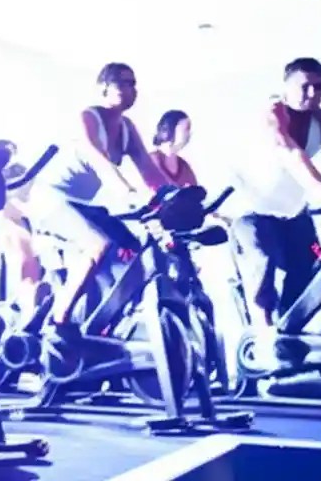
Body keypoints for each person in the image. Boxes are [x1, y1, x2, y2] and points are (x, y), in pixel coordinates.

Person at [228, 57, 321, 368]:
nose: (312, 93)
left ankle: (288, 341)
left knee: (308, 270)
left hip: (293, 212)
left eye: (318, 87)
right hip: (252, 209)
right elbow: (288, 150)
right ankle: (264, 343)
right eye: (304, 86)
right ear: (285, 87)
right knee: (262, 264)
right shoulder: (272, 113)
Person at [27, 62, 168, 350]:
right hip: (50, 198)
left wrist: (174, 196)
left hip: (84, 204)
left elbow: (148, 168)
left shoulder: (127, 128)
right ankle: (58, 323)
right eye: (122, 83)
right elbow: (97, 158)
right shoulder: (88, 117)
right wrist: (127, 191)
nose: (130, 89)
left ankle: (100, 322)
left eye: (133, 83)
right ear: (103, 88)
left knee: (135, 249)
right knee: (97, 244)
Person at [149, 110, 199, 188]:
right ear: (168, 130)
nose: (189, 134)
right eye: (187, 129)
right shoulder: (151, 161)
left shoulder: (185, 167)